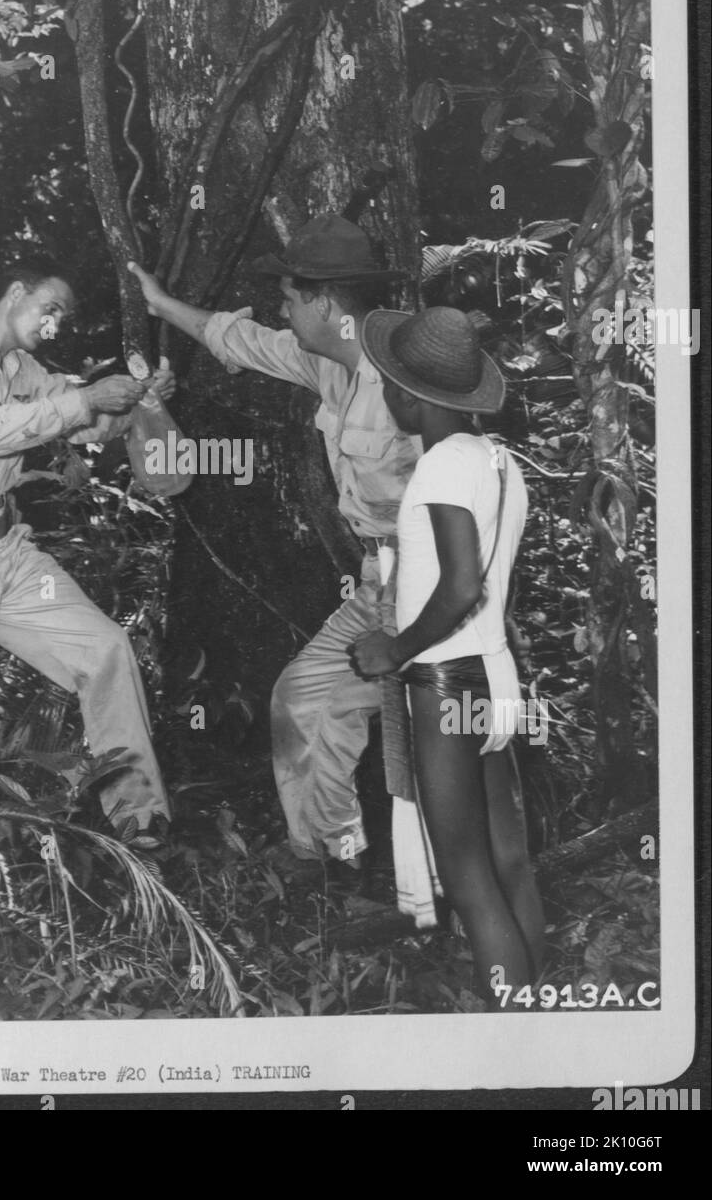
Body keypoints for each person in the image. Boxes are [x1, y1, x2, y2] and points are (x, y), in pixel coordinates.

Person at [129, 214, 420, 881]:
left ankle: (439, 888)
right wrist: (161, 304)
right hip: (379, 581)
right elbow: (244, 340)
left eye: (290, 299)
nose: (282, 312)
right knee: (302, 698)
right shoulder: (331, 363)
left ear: (324, 302)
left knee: (429, 736)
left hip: (433, 583)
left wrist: (425, 616)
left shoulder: (407, 381)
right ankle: (328, 857)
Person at [0, 254, 172, 832]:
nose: (55, 325)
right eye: (51, 308)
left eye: (63, 317)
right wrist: (88, 398)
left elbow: (88, 425)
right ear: (16, 291)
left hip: (4, 547)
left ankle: (141, 824)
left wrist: (139, 398)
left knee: (105, 650)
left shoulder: (22, 367)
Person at [350, 305, 545, 1003]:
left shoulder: (438, 467)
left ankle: (509, 1032)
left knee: (467, 878)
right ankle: (540, 1012)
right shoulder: (500, 461)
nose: (384, 395)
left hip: (448, 681)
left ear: (412, 396)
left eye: (388, 385)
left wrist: (394, 650)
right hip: (495, 674)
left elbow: (461, 586)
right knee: (508, 859)